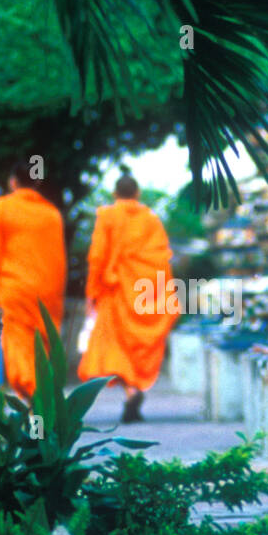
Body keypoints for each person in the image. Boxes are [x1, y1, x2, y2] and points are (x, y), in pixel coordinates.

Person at [78, 173, 179, 422]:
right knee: (135, 346)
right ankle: (133, 390)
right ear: (137, 194)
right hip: (144, 292)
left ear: (115, 194)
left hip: (116, 293)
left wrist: (91, 292)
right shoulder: (151, 219)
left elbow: (97, 256)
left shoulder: (108, 216)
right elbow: (161, 259)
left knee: (116, 347)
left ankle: (131, 389)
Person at [0, 160, 67, 399]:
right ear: (38, 182)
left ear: (12, 181)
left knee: (19, 352)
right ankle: (36, 410)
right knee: (40, 350)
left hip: (15, 291)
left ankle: (34, 400)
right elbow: (59, 259)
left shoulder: (0, 209)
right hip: (47, 292)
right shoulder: (52, 214)